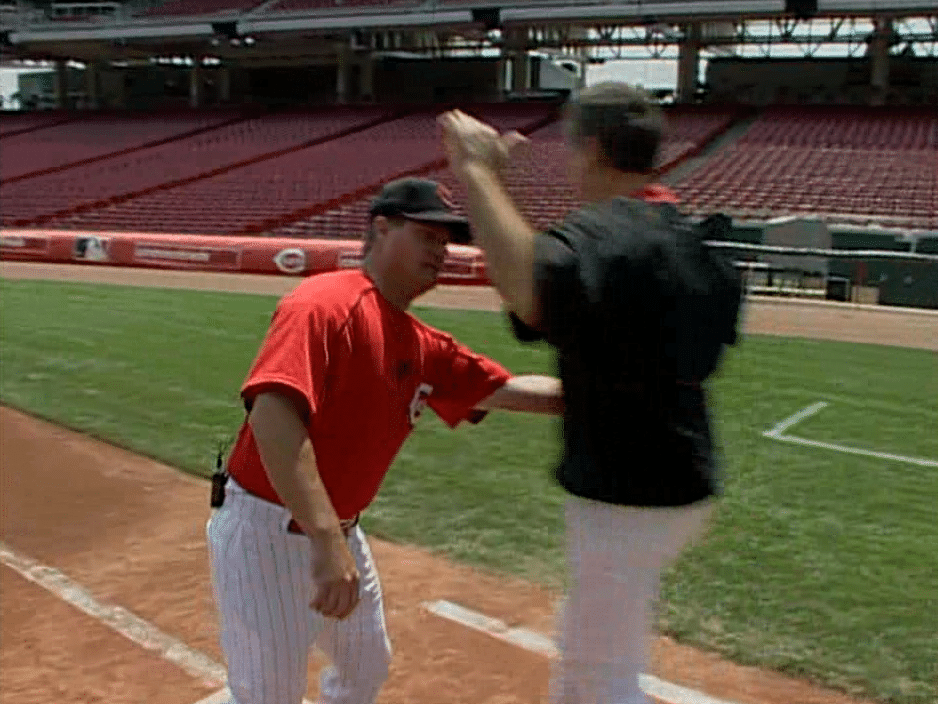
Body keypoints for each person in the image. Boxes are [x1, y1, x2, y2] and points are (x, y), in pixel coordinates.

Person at [438, 83, 743, 704]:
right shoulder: (689, 239)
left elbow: (529, 285)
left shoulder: (606, 236)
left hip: (625, 492)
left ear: (596, 150)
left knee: (590, 681)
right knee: (603, 655)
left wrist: (476, 169)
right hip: (684, 478)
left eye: (574, 149)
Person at [206, 176, 563, 704]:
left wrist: (614, 389)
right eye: (428, 237)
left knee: (365, 668)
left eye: (447, 243)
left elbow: (511, 390)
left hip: (339, 531)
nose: (442, 252)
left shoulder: (421, 344)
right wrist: (327, 541)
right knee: (266, 696)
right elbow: (273, 417)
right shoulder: (324, 304)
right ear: (381, 229)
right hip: (269, 532)